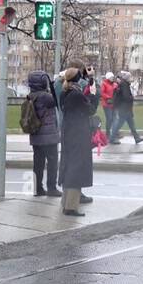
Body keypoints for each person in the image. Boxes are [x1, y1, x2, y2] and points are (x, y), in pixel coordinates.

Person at [58, 67, 99, 215]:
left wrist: (90, 81)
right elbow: (91, 110)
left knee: (69, 167)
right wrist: (94, 95)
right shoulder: (76, 95)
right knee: (76, 169)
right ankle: (71, 207)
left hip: (69, 134)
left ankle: (66, 203)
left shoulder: (65, 93)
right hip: (78, 136)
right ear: (77, 80)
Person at [28, 70, 60, 198]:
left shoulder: (31, 95)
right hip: (48, 136)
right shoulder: (45, 96)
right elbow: (57, 100)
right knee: (52, 162)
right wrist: (55, 84)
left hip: (36, 135)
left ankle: (37, 188)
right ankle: (51, 187)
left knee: (38, 163)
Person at [110, 70, 143, 144]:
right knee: (119, 124)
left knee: (131, 124)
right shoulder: (124, 85)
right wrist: (132, 97)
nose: (130, 78)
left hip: (125, 108)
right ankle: (112, 138)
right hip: (124, 108)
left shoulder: (124, 84)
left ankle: (136, 138)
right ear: (127, 78)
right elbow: (126, 97)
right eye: (130, 77)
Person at [100, 72, 117, 137]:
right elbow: (102, 93)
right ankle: (108, 133)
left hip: (113, 104)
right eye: (111, 77)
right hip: (107, 104)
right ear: (108, 78)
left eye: (113, 77)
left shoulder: (114, 84)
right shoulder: (104, 84)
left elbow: (116, 92)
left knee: (114, 119)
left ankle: (115, 133)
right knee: (109, 118)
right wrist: (108, 97)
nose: (112, 78)